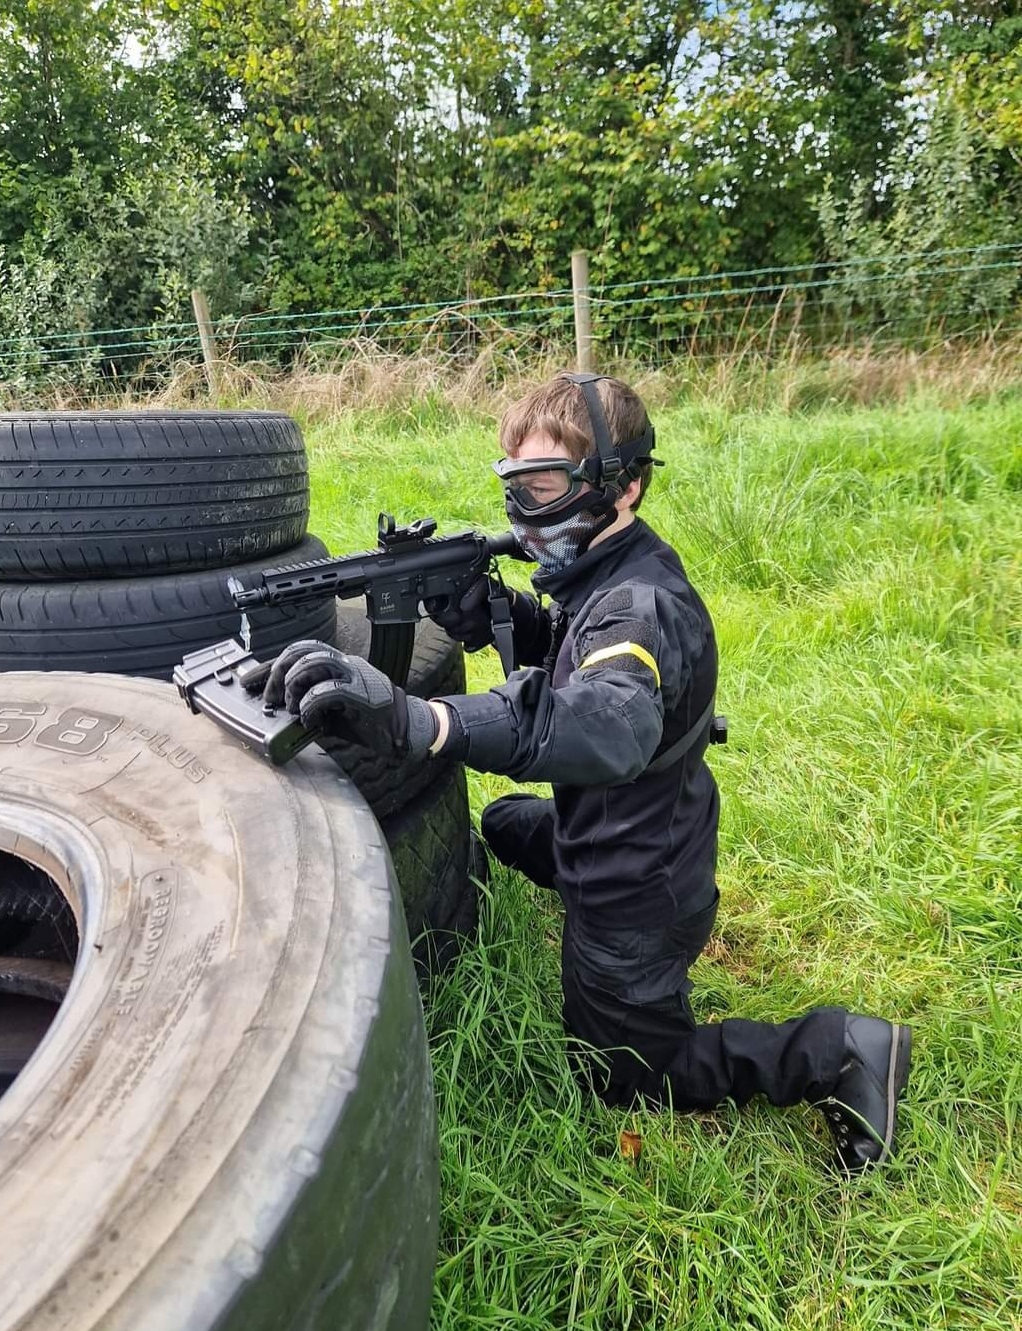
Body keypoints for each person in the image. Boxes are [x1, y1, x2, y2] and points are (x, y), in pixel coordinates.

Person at [260, 372, 912, 1173]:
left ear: (625, 485)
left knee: (624, 1078)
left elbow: (605, 718)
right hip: (639, 825)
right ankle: (578, 884)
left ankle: (838, 1049)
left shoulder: (640, 607)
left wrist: (423, 719)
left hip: (639, 883)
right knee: (501, 824)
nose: (524, 512)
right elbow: (576, 647)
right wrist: (498, 617)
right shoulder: (607, 572)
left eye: (545, 486)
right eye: (513, 484)